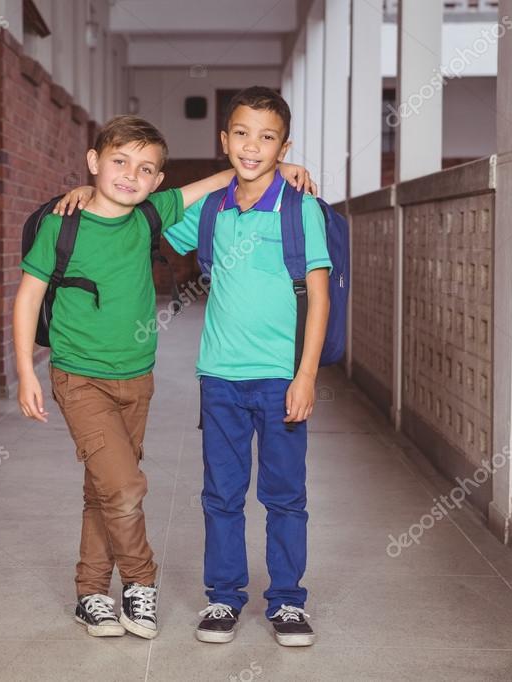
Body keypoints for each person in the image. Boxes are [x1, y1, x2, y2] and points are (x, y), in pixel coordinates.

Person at [12, 114, 315, 640]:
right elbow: (28, 297)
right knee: (125, 487)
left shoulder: (149, 216)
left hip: (137, 379)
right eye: (118, 162)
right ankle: (139, 582)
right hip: (78, 378)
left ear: (157, 181)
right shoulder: (66, 223)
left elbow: (224, 179)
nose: (130, 175)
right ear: (94, 161)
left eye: (145, 169)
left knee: (101, 489)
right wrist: (24, 371)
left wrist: (281, 164)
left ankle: (90, 594)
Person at [162, 86, 332, 647]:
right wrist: (90, 191)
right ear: (223, 140)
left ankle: (286, 601)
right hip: (220, 377)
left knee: (284, 494)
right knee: (222, 494)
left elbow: (319, 294)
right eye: (241, 133)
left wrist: (305, 375)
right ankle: (224, 598)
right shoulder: (213, 209)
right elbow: (147, 218)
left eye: (267, 137)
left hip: (282, 377)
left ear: (284, 146)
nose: (252, 146)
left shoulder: (299, 207)